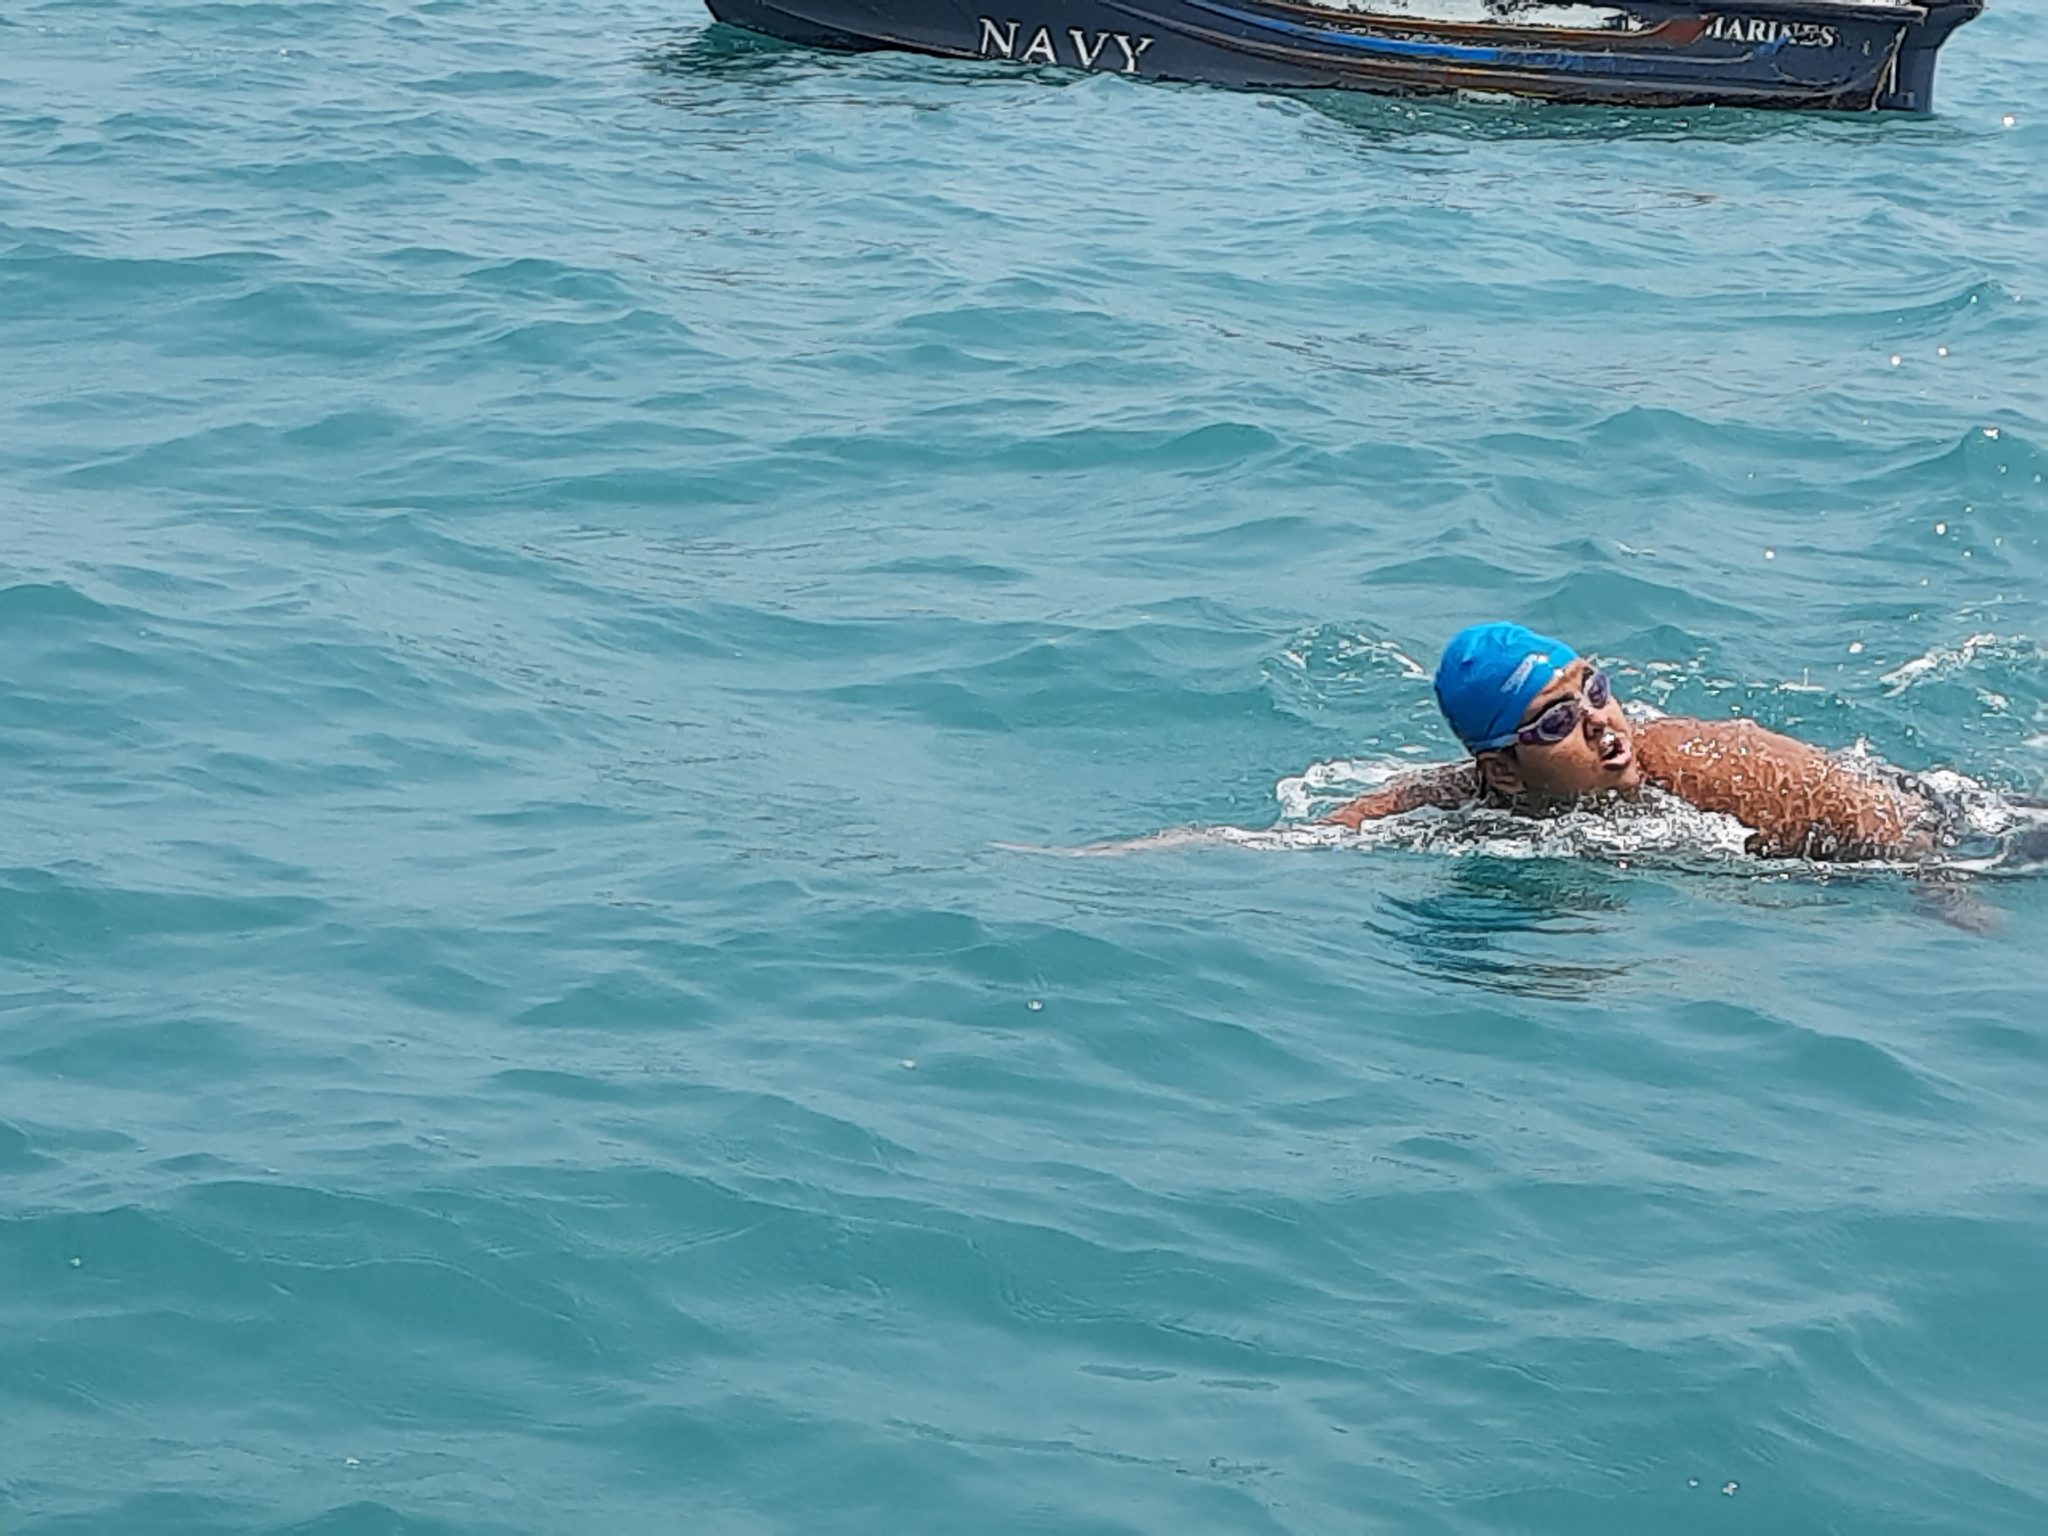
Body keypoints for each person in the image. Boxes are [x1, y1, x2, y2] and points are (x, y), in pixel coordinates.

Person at [1323, 622, 1932, 861]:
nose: (1600, 722)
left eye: (1594, 689)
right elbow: (1355, 822)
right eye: (1557, 722)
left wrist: (1945, 889)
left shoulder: (1697, 765)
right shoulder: (1479, 791)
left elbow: (1880, 817)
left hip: (1939, 835)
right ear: (1504, 771)